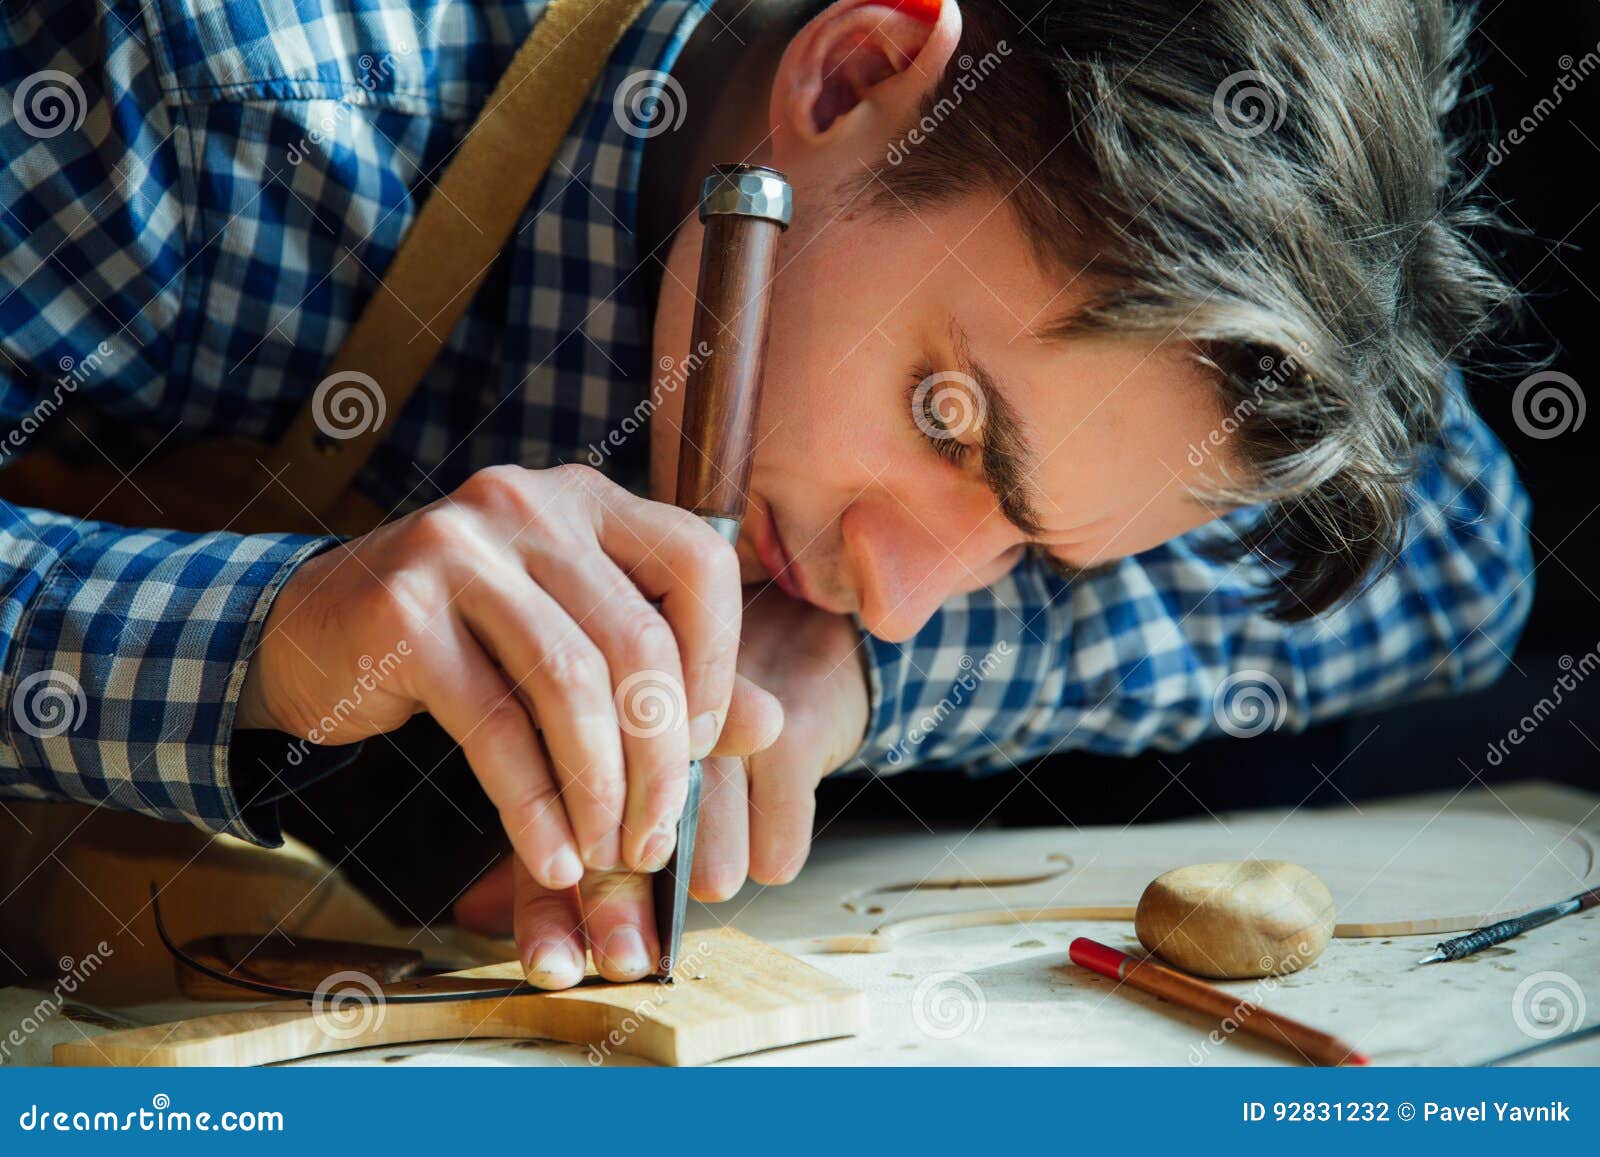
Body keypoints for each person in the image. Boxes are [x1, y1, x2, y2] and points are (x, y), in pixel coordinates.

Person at [0, 0, 1531, 989]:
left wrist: (864, 671)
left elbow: (1467, 548)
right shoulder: (236, 106)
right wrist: (261, 635)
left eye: (1034, 553)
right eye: (949, 423)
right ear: (856, 70)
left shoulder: (911, 583)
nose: (906, 582)